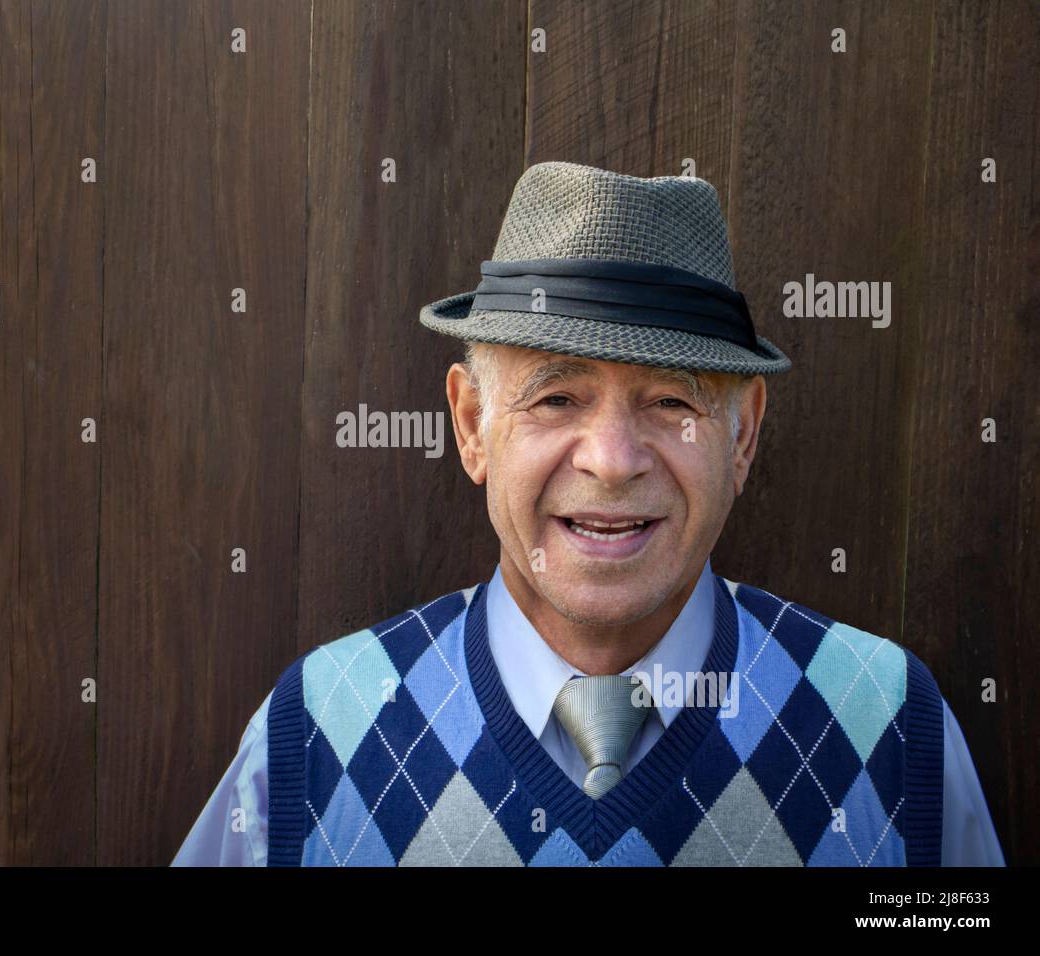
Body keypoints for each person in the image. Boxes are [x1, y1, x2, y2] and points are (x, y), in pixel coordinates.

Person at [173, 162, 1005, 867]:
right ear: (471, 427)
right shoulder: (319, 733)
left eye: (671, 400)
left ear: (742, 434)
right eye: (557, 396)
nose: (612, 459)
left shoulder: (890, 728)